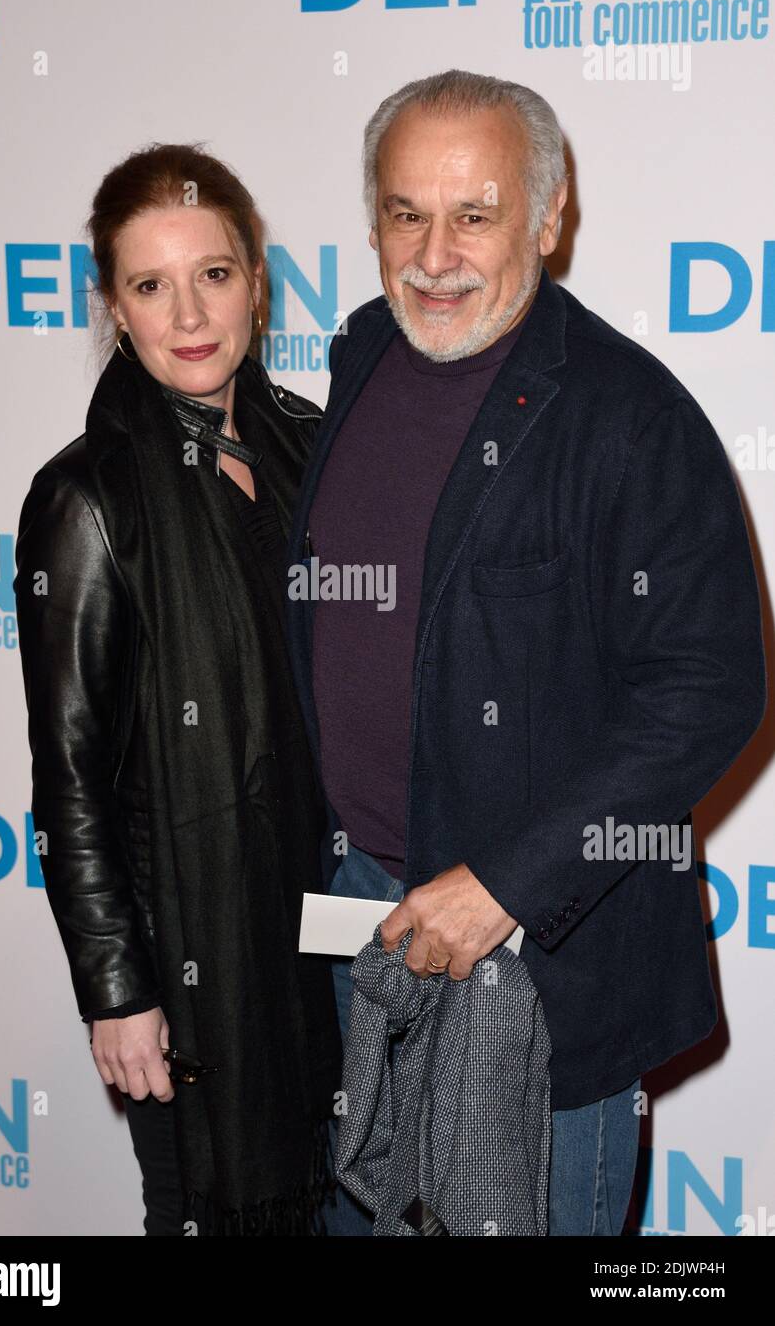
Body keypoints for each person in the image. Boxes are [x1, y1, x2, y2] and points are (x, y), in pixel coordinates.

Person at [283, 71, 767, 1236]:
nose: (433, 252)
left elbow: (708, 685)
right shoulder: (357, 362)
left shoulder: (629, 418)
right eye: (405, 213)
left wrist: (505, 885)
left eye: (474, 213)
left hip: (540, 959)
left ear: (546, 220)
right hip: (360, 924)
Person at [14, 143, 342, 1236]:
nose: (189, 312)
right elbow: (68, 779)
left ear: (257, 278)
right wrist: (117, 987)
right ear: (113, 304)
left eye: (213, 273)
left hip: (333, 938)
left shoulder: (314, 446)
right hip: (190, 959)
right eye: (150, 285)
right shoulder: (86, 498)